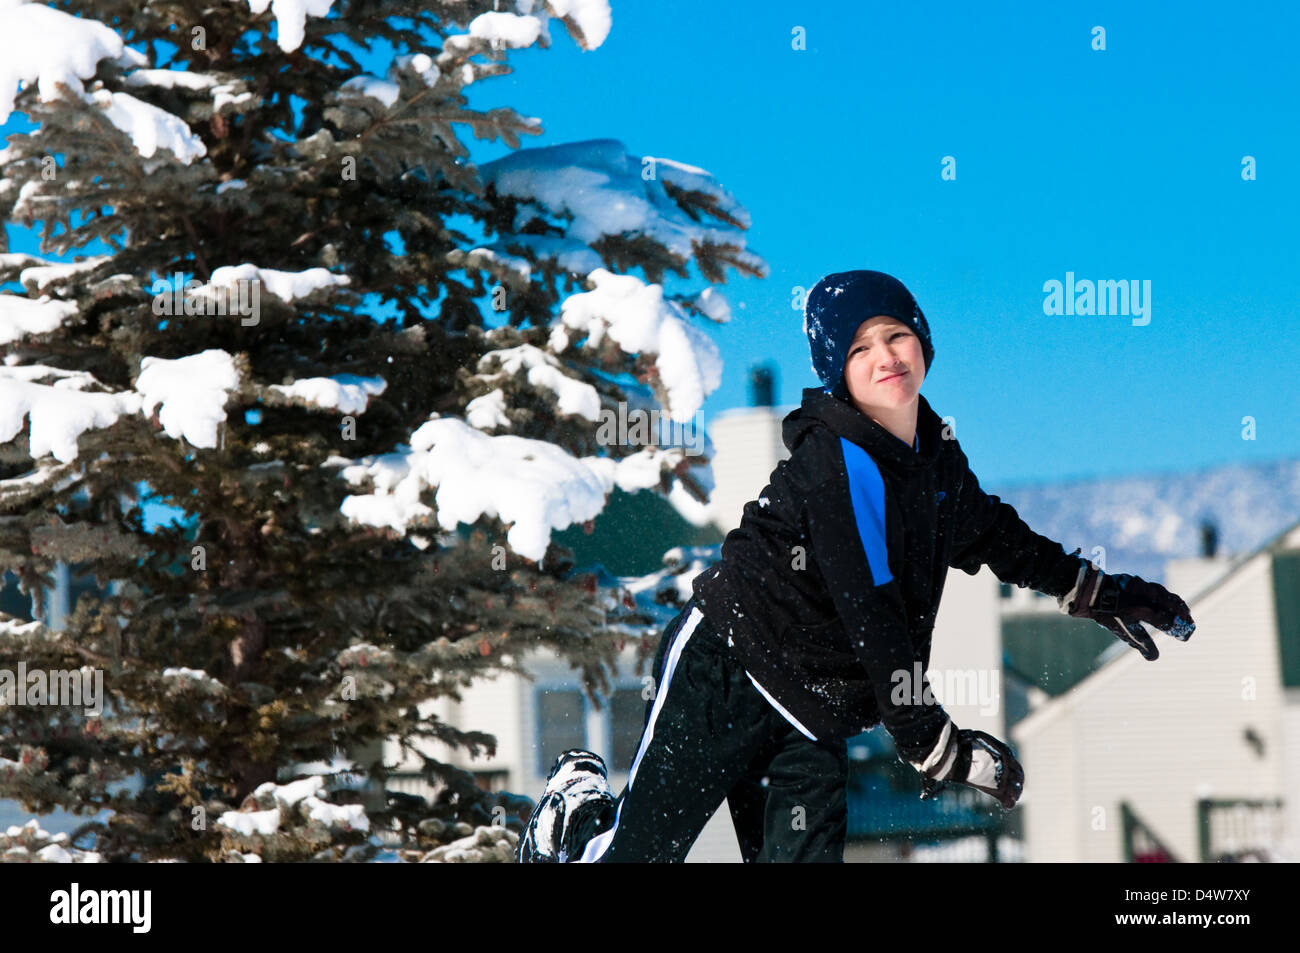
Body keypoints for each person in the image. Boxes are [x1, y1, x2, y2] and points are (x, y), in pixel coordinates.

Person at [517, 269, 1196, 863]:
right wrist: (937, 745)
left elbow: (994, 535)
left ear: (923, 341)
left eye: (896, 335)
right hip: (727, 669)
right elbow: (871, 612)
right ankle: (573, 817)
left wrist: (1096, 588)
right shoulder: (834, 464)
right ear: (836, 367)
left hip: (815, 710)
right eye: (860, 346)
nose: (885, 357)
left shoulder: (934, 456)